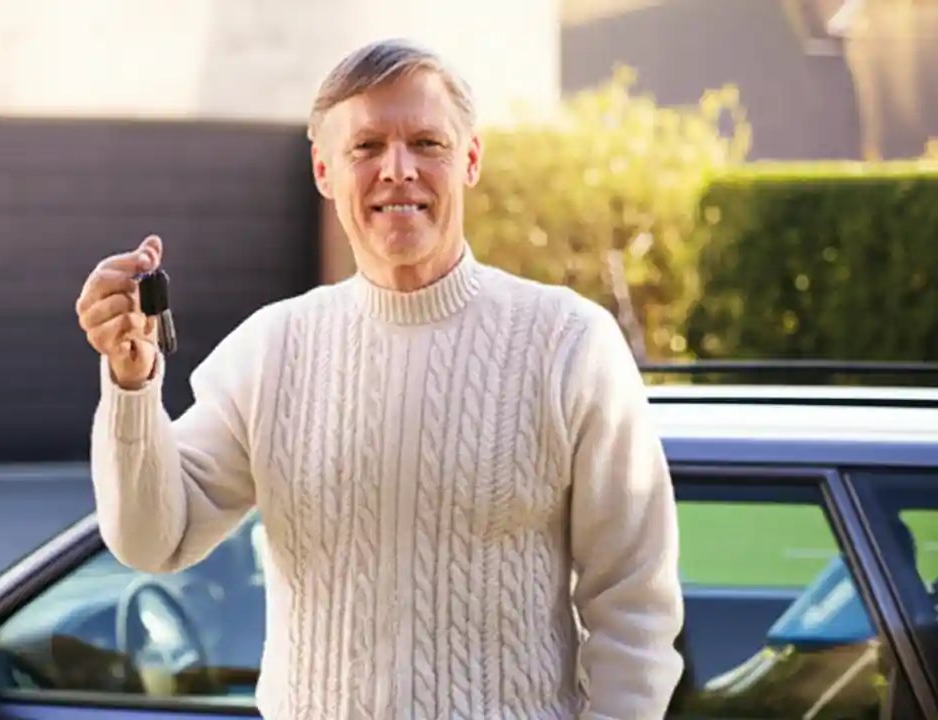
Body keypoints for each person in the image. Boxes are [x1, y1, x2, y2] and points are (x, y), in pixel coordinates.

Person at [75, 37, 684, 720]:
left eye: (427, 142)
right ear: (324, 170)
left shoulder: (569, 344)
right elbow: (152, 539)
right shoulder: (270, 351)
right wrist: (131, 384)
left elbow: (634, 607)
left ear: (471, 159)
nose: (397, 170)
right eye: (366, 147)